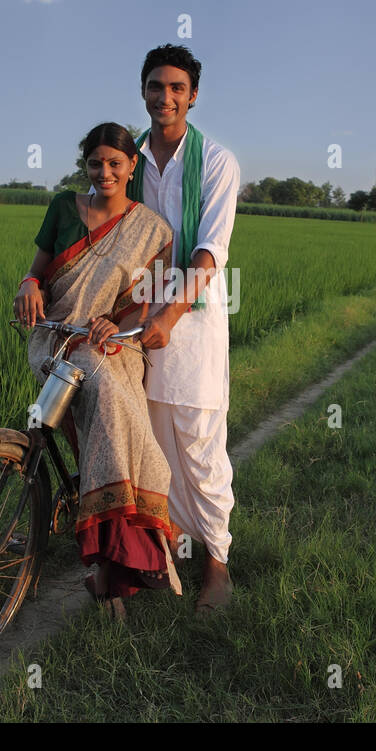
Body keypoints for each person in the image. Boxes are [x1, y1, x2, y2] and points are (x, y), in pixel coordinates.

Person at [14, 122, 179, 619]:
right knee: (105, 405)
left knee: (110, 399)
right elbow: (39, 268)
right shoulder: (64, 207)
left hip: (111, 345)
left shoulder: (150, 228)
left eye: (115, 163)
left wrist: (117, 320)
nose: (104, 172)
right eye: (94, 163)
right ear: (84, 165)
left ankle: (113, 557)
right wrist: (28, 283)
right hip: (58, 335)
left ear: (132, 167)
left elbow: (142, 302)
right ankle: (109, 540)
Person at [126, 44, 241, 614]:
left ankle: (217, 564)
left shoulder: (217, 161)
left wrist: (169, 314)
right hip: (135, 320)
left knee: (199, 446)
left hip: (190, 329)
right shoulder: (128, 158)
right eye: (155, 86)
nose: (165, 97)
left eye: (176, 88)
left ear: (193, 96)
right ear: (142, 91)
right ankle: (161, 543)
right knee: (147, 442)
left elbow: (208, 252)